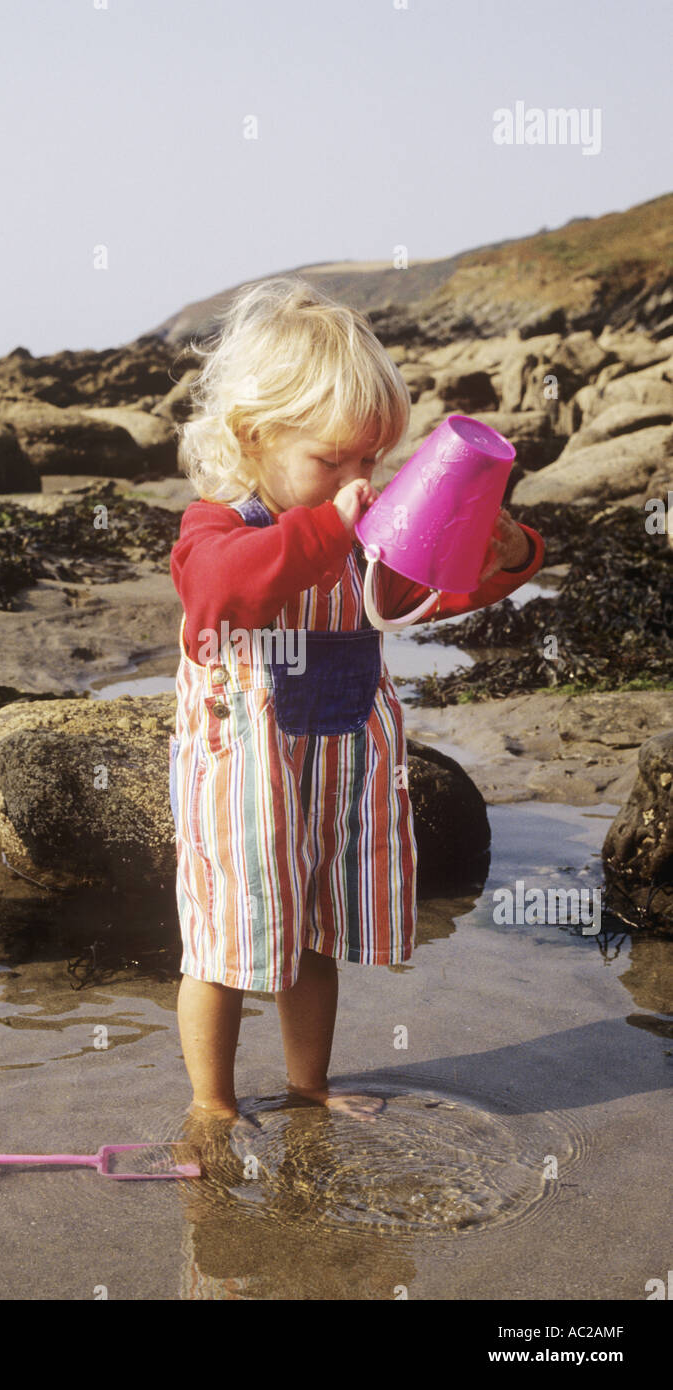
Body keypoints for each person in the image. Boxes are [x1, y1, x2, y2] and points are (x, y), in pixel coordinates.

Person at [168, 277, 544, 1124]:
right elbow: (226, 591)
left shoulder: (357, 537)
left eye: (371, 460)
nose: (358, 479)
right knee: (224, 943)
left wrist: (507, 552)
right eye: (331, 459)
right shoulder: (216, 529)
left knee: (313, 935)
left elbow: (431, 593)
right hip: (241, 784)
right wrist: (333, 523)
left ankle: (308, 1086)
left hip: (333, 770)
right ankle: (212, 1102)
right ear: (253, 437)